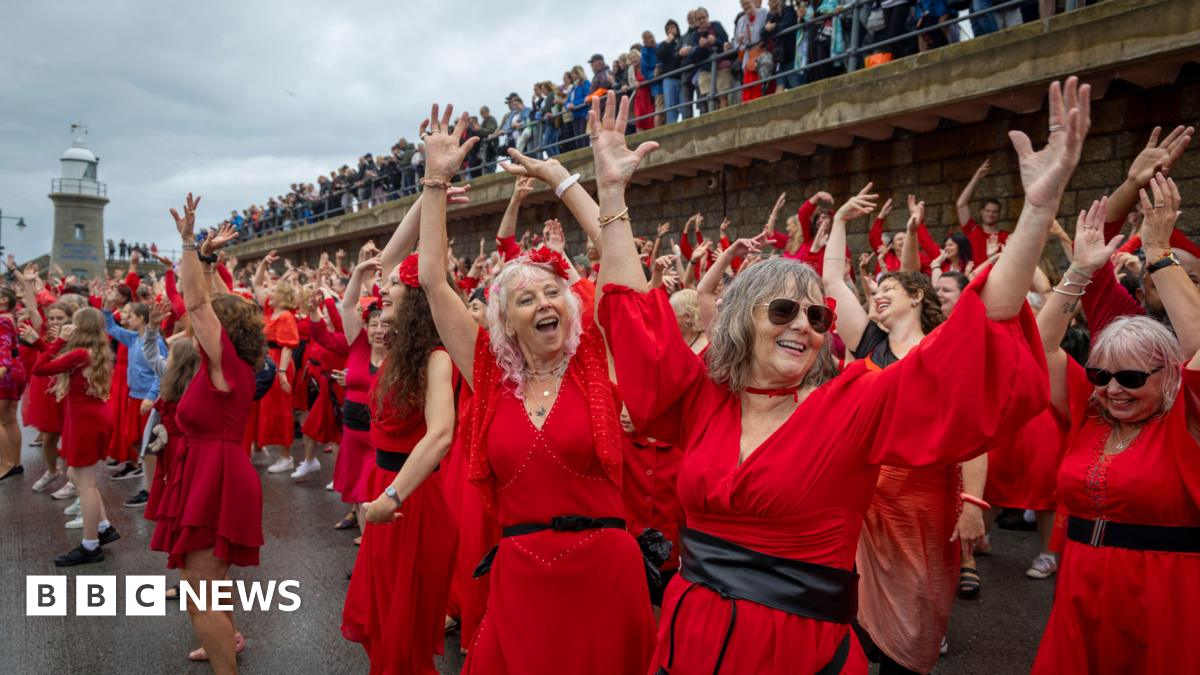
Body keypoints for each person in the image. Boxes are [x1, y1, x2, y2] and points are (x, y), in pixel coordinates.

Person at [590, 76, 1081, 673]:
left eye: (817, 314)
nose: (806, 324)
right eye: (783, 310)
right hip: (692, 635)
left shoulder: (852, 402)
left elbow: (968, 351)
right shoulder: (703, 398)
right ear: (743, 320)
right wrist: (610, 192)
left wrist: (1036, 213)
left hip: (797, 651)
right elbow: (632, 314)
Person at [417, 103, 656, 674]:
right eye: (526, 298)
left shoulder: (593, 361)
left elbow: (626, 273)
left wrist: (567, 180)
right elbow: (431, 277)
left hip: (606, 574)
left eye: (554, 294)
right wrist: (435, 181)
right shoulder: (489, 374)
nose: (545, 303)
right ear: (507, 321)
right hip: (521, 573)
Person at [1032, 178, 1200, 674]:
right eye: (1101, 375)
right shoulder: (1092, 410)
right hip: (1079, 588)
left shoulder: (1186, 416)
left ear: (1170, 376)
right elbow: (1038, 351)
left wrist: (1158, 252)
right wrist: (1080, 269)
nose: (1113, 389)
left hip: (1166, 596)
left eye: (1130, 377)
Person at [155, 195, 265, 670]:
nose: (198, 324)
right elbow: (212, 300)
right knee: (210, 585)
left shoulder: (225, 365)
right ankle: (226, 640)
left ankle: (224, 661)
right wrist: (210, 259)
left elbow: (199, 302)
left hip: (215, 476)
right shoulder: (228, 363)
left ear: (222, 332)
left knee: (200, 595)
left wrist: (187, 245)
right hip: (212, 470)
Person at [341, 253, 459, 674]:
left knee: (401, 628)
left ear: (415, 297)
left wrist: (391, 496)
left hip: (412, 499)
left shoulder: (436, 357)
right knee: (380, 618)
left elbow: (441, 434)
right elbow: (385, 259)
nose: (382, 288)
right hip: (386, 486)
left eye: (392, 284)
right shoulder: (397, 351)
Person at [34, 307, 119, 565]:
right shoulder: (94, 351)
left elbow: (41, 369)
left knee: (86, 484)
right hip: (91, 417)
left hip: (86, 421)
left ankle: (90, 545)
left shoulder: (81, 354)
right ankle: (103, 527)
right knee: (76, 474)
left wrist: (59, 339)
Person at [102, 301, 167, 507]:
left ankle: (152, 490)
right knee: (135, 440)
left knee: (149, 446)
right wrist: (106, 310)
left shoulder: (156, 341)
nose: (126, 318)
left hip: (148, 399)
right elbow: (111, 328)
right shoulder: (132, 338)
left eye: (130, 315)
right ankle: (152, 483)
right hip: (135, 396)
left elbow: (162, 372)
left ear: (141, 319)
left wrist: (151, 395)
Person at [955, 158, 1009, 266]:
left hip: (995, 280)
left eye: (995, 211)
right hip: (973, 278)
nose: (991, 214)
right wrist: (977, 177)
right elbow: (960, 204)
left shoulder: (1006, 236)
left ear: (999, 215)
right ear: (982, 212)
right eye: (988, 211)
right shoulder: (972, 230)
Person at [0, 286, 26, 481]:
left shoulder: (2, 319)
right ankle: (14, 463)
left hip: (5, 372)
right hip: (14, 369)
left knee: (3, 420)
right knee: (9, 419)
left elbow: (3, 350)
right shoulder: (9, 318)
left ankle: (7, 463)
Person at [658, 20, 685, 124]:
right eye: (668, 29)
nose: (671, 30)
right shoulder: (664, 44)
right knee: (670, 107)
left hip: (682, 77)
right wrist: (667, 42)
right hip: (669, 79)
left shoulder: (682, 41)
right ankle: (671, 125)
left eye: (672, 27)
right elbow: (659, 55)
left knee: (684, 105)